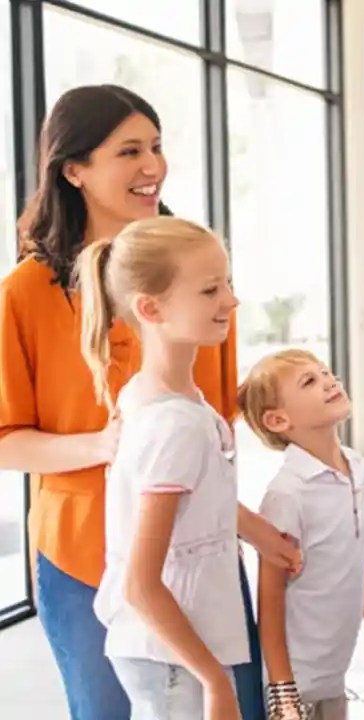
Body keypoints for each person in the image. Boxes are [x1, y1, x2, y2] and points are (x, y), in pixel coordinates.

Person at [0, 85, 296, 720]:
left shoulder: (197, 274)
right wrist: (107, 445)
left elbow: (209, 436)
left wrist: (255, 528)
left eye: (157, 147)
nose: (152, 166)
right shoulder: (26, 291)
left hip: (197, 556)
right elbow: (6, 439)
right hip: (83, 559)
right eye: (129, 150)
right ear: (72, 169)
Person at [78, 216, 247, 719]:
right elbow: (141, 583)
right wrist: (214, 680)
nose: (231, 301)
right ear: (150, 308)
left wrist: (261, 535)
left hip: (172, 651)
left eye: (229, 284)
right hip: (173, 658)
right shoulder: (174, 426)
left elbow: (198, 506)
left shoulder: (156, 399)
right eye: (211, 290)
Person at [238, 349, 364, 720]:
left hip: (334, 680)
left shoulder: (362, 472)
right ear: (279, 419)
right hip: (294, 689)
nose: (329, 381)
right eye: (309, 381)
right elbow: (270, 601)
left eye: (326, 372)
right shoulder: (287, 494)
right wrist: (284, 696)